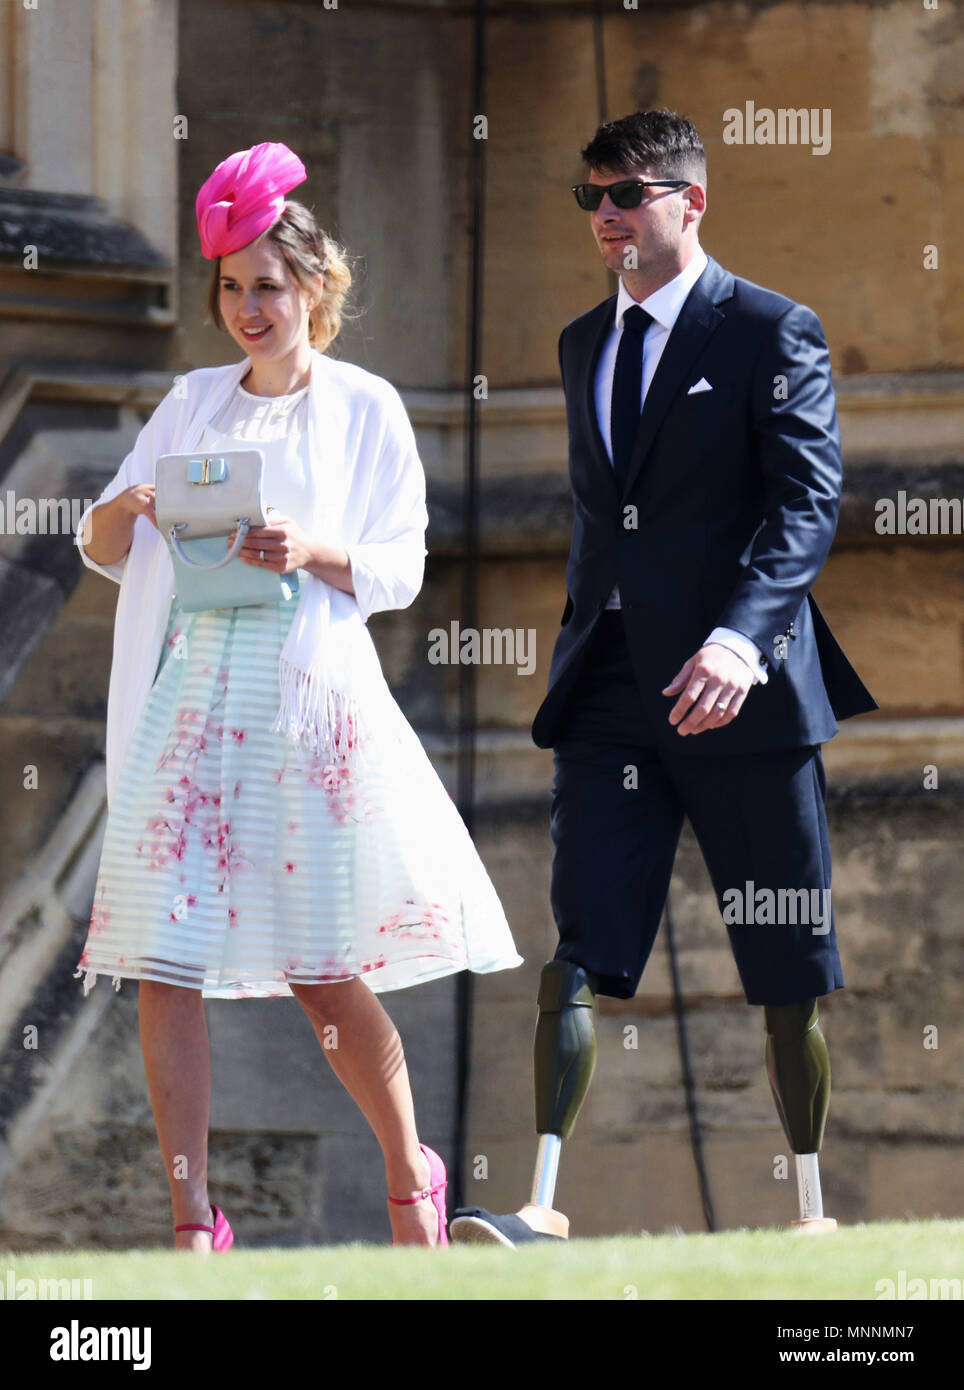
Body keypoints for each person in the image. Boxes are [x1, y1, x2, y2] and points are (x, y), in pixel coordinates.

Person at [73, 141, 521, 1253]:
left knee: (322, 971)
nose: (245, 308)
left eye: (265, 286)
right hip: (191, 707)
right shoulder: (188, 401)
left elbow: (401, 568)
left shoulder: (365, 407)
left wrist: (311, 548)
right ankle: (192, 1222)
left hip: (307, 707)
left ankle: (410, 1177)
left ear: (313, 289)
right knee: (160, 965)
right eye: (228, 287)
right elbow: (99, 542)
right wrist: (129, 503)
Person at [450, 109, 878, 1247]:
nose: (606, 215)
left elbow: (804, 505)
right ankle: (541, 1204)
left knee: (785, 952)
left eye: (630, 193)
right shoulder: (582, 342)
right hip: (608, 688)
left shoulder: (771, 329)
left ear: (693, 201)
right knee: (579, 939)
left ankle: (810, 1211)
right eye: (591, 195)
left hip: (745, 685)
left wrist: (741, 641)